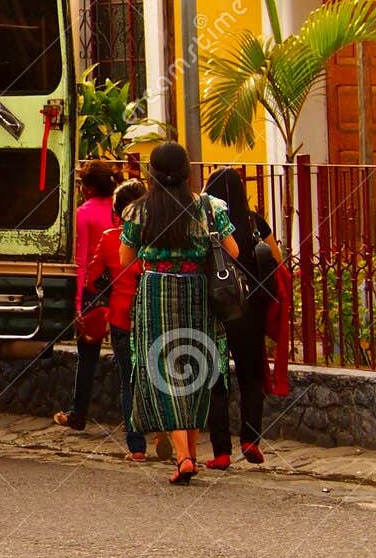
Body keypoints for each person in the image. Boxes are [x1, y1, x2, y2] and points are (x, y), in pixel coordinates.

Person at [120, 141, 241, 486]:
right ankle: (190, 451)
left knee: (163, 368)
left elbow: (124, 260)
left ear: (153, 174)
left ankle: (184, 456)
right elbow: (233, 250)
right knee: (192, 366)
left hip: (156, 290)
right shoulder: (209, 207)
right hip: (197, 291)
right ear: (188, 171)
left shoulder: (138, 212)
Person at [202, 168, 284, 470]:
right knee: (250, 375)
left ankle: (221, 451)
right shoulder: (254, 221)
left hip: (216, 307)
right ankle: (251, 439)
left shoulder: (205, 221)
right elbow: (275, 260)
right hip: (249, 308)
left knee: (216, 379)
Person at [84, 178, 147, 460]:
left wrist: (110, 290)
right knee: (158, 376)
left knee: (128, 381)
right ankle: (164, 433)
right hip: (153, 315)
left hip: (122, 317)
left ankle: (136, 447)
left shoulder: (111, 237)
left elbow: (93, 279)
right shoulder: (157, 235)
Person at [53, 162, 118, 431]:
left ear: (89, 188)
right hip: (122, 286)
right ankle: (134, 419)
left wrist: (77, 303)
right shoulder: (121, 210)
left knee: (88, 356)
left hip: (94, 290)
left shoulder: (83, 214)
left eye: (81, 184)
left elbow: (80, 261)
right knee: (129, 356)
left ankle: (78, 413)